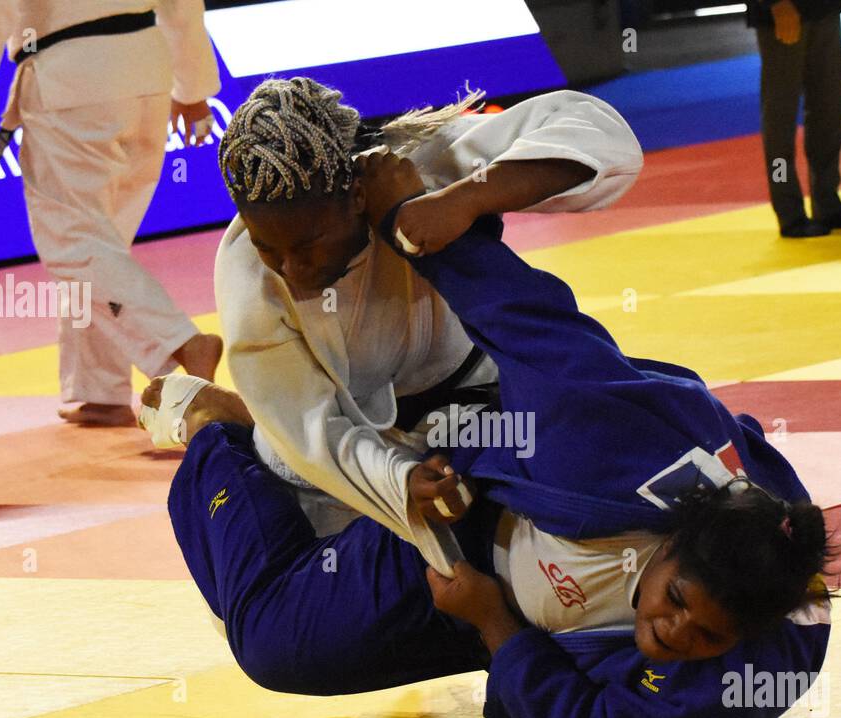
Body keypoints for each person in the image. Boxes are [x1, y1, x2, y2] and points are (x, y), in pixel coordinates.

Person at [143, 152, 834, 718]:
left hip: (498, 594)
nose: (680, 633)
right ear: (675, 537)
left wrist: (495, 626)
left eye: (710, 636)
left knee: (551, 693)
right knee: (271, 641)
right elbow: (528, 318)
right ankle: (216, 428)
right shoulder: (602, 439)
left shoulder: (764, 657)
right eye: (678, 599)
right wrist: (415, 217)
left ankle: (344, 473)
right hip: (483, 487)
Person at [200, 77, 643, 570]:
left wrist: (464, 199)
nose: (291, 267)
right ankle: (213, 414)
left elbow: (602, 135)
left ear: (356, 196)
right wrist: (400, 481)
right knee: (328, 596)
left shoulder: (418, 167)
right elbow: (306, 426)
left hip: (479, 403)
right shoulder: (245, 269)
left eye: (308, 244)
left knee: (586, 498)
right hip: (347, 442)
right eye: (269, 247)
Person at [0, 1, 225, 426]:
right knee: (103, 243)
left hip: (72, 83)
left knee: (74, 242)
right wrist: (193, 90)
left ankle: (181, 342)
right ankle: (97, 388)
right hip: (145, 69)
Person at [747, 0, 841, 238]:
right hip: (782, 12)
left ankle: (827, 202)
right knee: (780, 120)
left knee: (830, 112)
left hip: (825, 9)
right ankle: (789, 212)